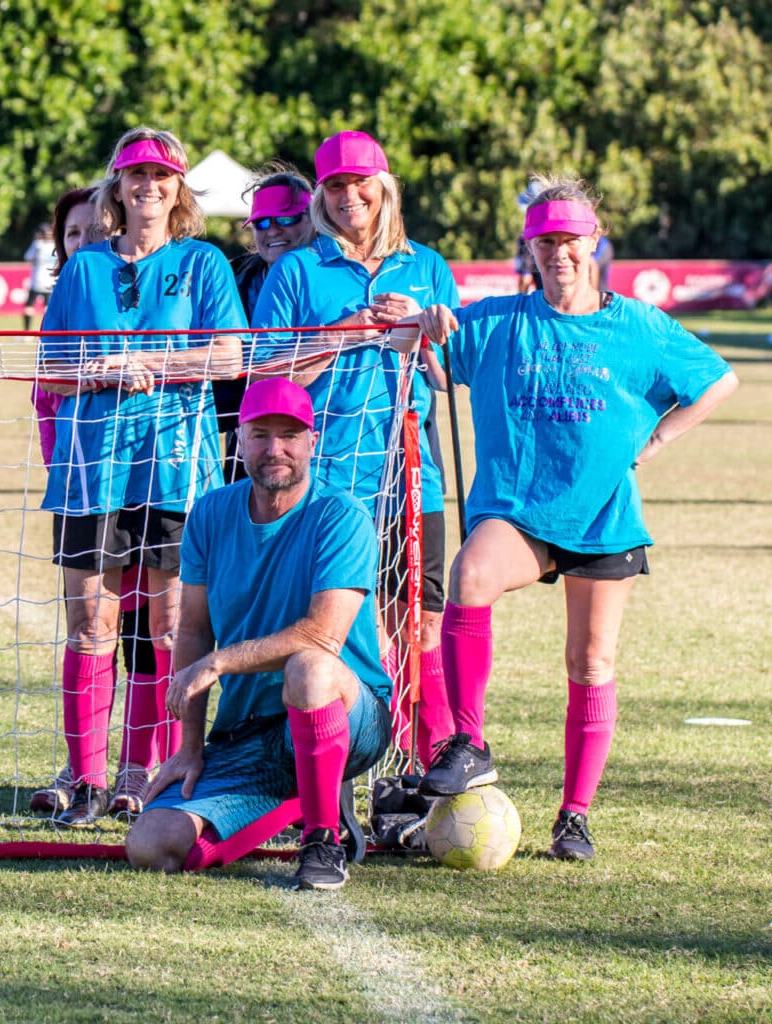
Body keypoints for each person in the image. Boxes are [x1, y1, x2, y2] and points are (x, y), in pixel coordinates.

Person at [414, 178, 737, 861]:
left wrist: (654, 442)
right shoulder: (499, 320)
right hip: (519, 512)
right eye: (546, 242)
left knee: (591, 661)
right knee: (471, 573)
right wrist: (422, 328)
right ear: (529, 248)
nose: (558, 253)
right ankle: (469, 743)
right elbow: (434, 363)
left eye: (570, 240)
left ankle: (574, 816)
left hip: (603, 517)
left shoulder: (640, 326)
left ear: (594, 242)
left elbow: (718, 380)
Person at [36, 127, 246, 826]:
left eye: (160, 176)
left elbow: (229, 360)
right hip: (91, 472)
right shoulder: (85, 269)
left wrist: (155, 365)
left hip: (177, 473)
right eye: (134, 175)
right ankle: (86, 778)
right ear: (115, 188)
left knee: (167, 629)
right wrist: (95, 372)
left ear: (178, 188)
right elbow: (51, 370)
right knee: (90, 625)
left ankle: (142, 771)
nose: (147, 186)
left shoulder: (205, 263)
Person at [126, 378, 391, 890]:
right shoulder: (210, 512)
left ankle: (322, 840)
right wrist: (189, 748)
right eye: (261, 435)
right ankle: (297, 798)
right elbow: (195, 632)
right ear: (240, 439)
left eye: (289, 436)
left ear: (312, 441)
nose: (276, 450)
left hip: (349, 715)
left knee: (309, 668)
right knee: (150, 845)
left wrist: (220, 664)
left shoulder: (342, 516)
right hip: (251, 728)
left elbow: (322, 638)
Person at [249, 129, 458, 773]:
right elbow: (270, 377)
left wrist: (423, 335)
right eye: (335, 186)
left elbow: (450, 378)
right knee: (331, 628)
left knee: (418, 628)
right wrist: (343, 333)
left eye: (360, 182)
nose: (349, 196)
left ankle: (424, 765)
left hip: (411, 475)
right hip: (328, 482)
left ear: (384, 185)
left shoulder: (427, 265)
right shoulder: (296, 270)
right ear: (322, 196)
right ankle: (327, 764)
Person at [217, 163, 316, 482]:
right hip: (250, 435)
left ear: (314, 218)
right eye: (260, 222)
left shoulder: (333, 274)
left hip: (322, 433)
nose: (272, 230)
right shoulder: (234, 278)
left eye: (286, 219)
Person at [21, 221, 55, 331]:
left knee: (29, 306)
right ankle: (48, 331)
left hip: (37, 280)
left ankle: (27, 333)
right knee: (48, 308)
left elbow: (27, 257)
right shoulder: (55, 245)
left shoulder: (37, 244)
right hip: (50, 280)